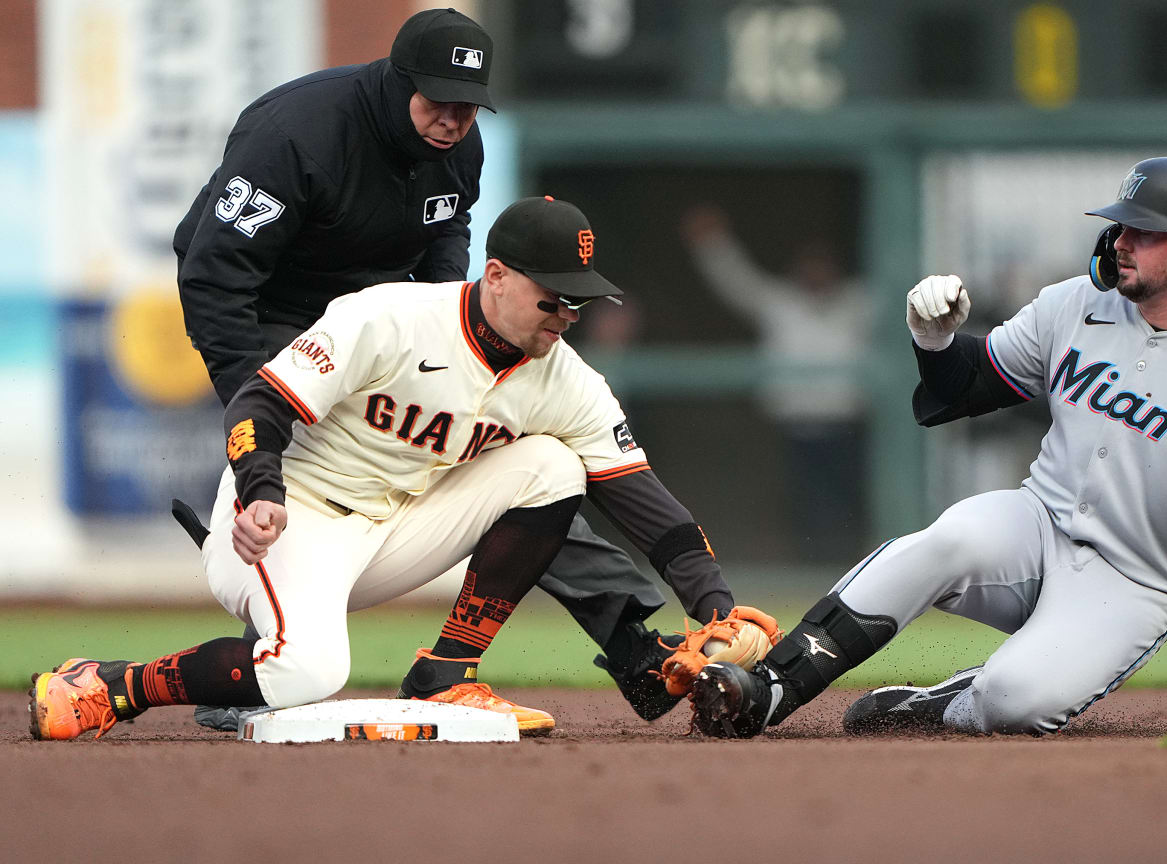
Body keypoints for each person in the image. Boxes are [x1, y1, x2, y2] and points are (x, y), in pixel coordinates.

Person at [685, 157, 1167, 738]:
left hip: (1135, 579)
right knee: (947, 538)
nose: (1121, 241)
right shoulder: (1074, 304)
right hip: (1037, 524)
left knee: (1014, 702)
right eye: (1121, 226)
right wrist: (932, 341)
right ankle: (768, 688)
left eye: (1143, 231)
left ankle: (946, 703)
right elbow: (970, 386)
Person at [32, 196, 751, 741]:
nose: (566, 313)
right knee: (306, 672)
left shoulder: (566, 380)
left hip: (395, 531)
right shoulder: (393, 318)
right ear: (496, 277)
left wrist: (715, 604)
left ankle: (445, 674)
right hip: (286, 522)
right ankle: (113, 684)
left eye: (578, 300)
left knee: (554, 466)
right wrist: (260, 490)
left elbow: (643, 503)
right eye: (552, 297)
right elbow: (261, 401)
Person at [172, 8, 686, 728]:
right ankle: (259, 662)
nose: (452, 118)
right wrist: (258, 412)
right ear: (396, 81)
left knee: (509, 457)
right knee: (309, 464)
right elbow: (214, 277)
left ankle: (632, 648)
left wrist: (443, 336)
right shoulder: (295, 135)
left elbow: (446, 242)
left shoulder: (459, 149)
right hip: (275, 312)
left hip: (380, 316)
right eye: (437, 99)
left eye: (468, 106)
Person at [680, 204, 873, 560]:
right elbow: (737, 282)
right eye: (810, 265)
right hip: (794, 429)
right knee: (804, 510)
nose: (817, 272)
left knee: (849, 509)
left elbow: (909, 288)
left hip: (846, 428)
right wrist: (712, 243)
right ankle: (807, 571)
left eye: (823, 265)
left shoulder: (858, 303)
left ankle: (848, 565)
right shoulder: (781, 303)